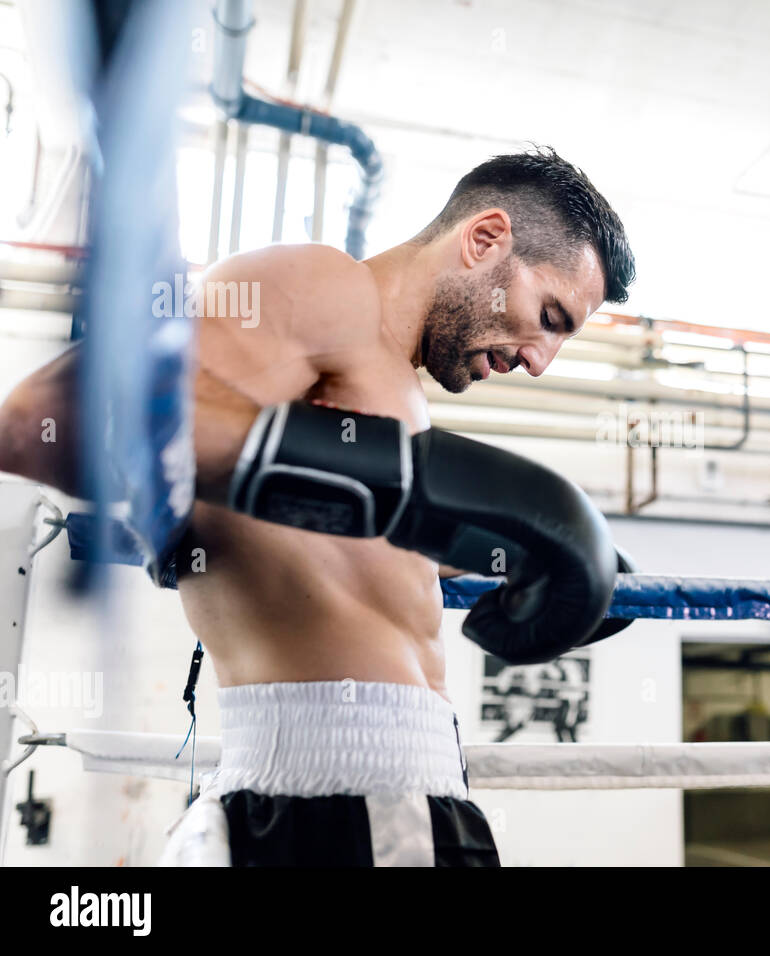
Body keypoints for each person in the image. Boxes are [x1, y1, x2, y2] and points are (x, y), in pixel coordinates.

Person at [0, 147, 636, 866]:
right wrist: (406, 481)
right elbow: (42, 418)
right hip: (340, 810)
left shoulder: (389, 389)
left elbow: (331, 551)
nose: (540, 359)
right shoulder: (328, 290)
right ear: (485, 238)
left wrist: (505, 547)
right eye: (549, 316)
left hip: (395, 803)